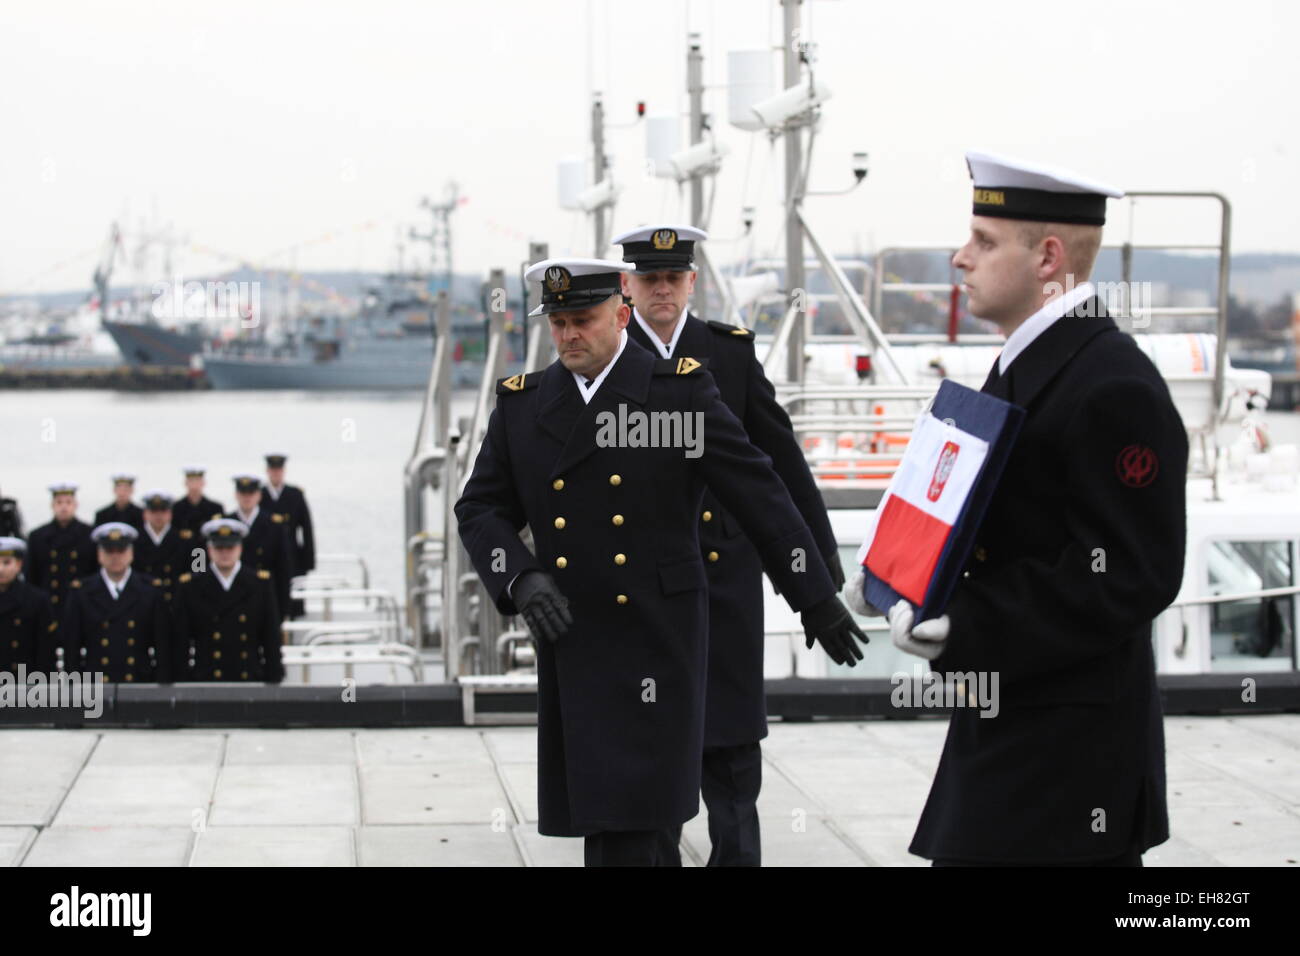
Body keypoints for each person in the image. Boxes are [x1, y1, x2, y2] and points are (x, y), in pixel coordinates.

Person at [456, 257, 867, 867]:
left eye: (584, 320)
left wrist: (815, 596)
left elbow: (758, 492)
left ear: (621, 315)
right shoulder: (525, 406)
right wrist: (520, 575)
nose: (569, 335)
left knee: (640, 823)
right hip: (573, 634)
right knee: (615, 824)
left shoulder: (676, 394)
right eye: (559, 322)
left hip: (659, 636)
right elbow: (479, 507)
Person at [887, 151, 1187, 866]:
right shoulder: (1031, 363)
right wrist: (897, 573)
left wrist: (968, 620)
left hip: (1068, 766)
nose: (962, 258)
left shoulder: (1112, 385)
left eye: (985, 242)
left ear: (1049, 257)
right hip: (1015, 730)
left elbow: (1132, 574)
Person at [612, 223, 845, 866]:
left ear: (691, 282)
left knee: (732, 746)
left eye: (673, 278)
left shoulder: (731, 353)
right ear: (627, 286)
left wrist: (818, 566)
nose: (662, 289)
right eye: (649, 278)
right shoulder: (604, 355)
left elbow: (781, 463)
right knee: (653, 745)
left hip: (723, 578)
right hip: (644, 585)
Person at [173, 519, 283, 683]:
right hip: (206, 678)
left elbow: (270, 636)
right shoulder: (191, 586)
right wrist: (182, 681)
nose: (225, 553)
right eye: (219, 547)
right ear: (209, 550)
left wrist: (274, 677)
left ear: (240, 548)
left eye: (230, 547)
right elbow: (181, 640)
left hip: (249, 676)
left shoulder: (260, 584)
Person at [61, 523, 170, 683]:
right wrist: (74, 689)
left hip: (139, 682)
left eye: (121, 551)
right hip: (95, 684)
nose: (115, 557)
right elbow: (72, 648)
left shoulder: (151, 591)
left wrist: (161, 688)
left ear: (131, 553)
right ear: (99, 554)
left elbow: (163, 646)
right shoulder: (81, 592)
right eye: (109, 551)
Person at [25, 482, 97, 614]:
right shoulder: (37, 536)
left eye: (68, 502)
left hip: (80, 603)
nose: (64, 507)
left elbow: (94, 571)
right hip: (48, 603)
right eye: (59, 502)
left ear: (75, 505)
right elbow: (31, 574)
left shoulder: (89, 534)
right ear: (52, 505)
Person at [227, 475, 291, 620]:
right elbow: (199, 553)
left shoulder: (274, 525)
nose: (247, 498)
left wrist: (284, 608)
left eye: (251, 493)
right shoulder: (225, 524)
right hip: (231, 598)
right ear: (236, 495)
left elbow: (284, 569)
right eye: (243, 494)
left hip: (264, 596)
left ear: (259, 496)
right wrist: (198, 577)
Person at [262, 454, 315, 619]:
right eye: (273, 470)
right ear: (267, 471)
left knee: (293, 602)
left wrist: (308, 561)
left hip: (293, 557)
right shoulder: (259, 495)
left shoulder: (295, 495)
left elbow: (306, 528)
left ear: (283, 471)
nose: (276, 474)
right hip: (268, 555)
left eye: (278, 470)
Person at [0, 537, 55, 674]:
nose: (1, 569)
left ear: (19, 564)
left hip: (24, 682)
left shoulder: (37, 599)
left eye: (7, 563)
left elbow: (45, 650)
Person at [133, 491, 188, 607]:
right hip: (142, 603)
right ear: (145, 514)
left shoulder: (187, 540)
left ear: (170, 513)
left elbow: (199, 572)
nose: (158, 516)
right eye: (153, 511)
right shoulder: (133, 541)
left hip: (176, 601)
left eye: (163, 511)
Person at [171, 467, 226, 541]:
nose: (194, 485)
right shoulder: (176, 508)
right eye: (191, 481)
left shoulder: (215, 508)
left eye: (197, 480)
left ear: (203, 483)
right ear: (185, 483)